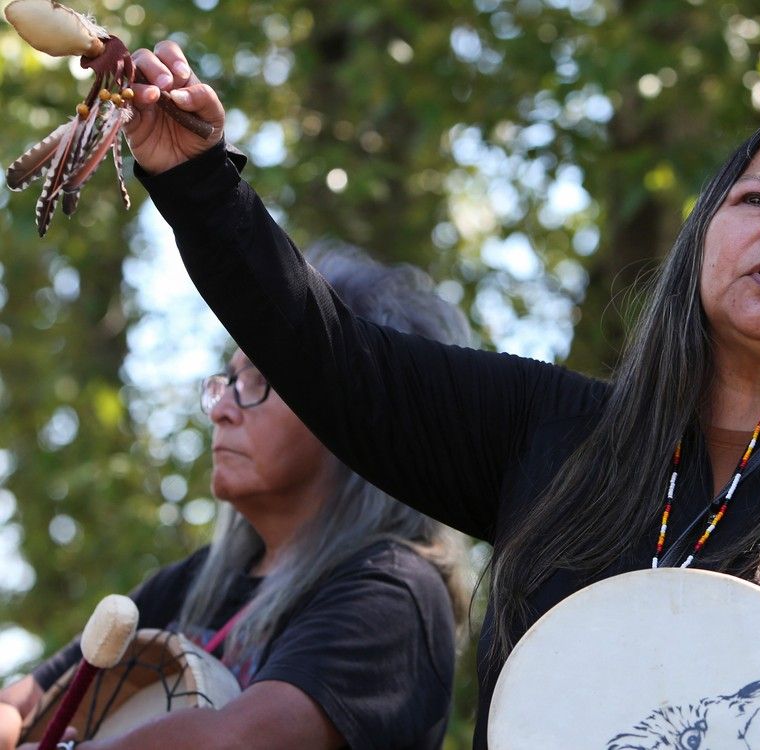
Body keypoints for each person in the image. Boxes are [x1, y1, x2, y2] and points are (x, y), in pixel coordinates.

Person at [120, 41, 760, 749]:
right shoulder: (552, 432)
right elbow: (336, 361)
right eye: (756, 197)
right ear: (701, 242)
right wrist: (199, 181)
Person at [0, 247, 472, 750]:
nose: (221, 408)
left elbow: (231, 743)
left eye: (261, 380)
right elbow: (21, 704)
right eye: (227, 381)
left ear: (359, 410)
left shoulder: (394, 593)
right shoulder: (191, 583)